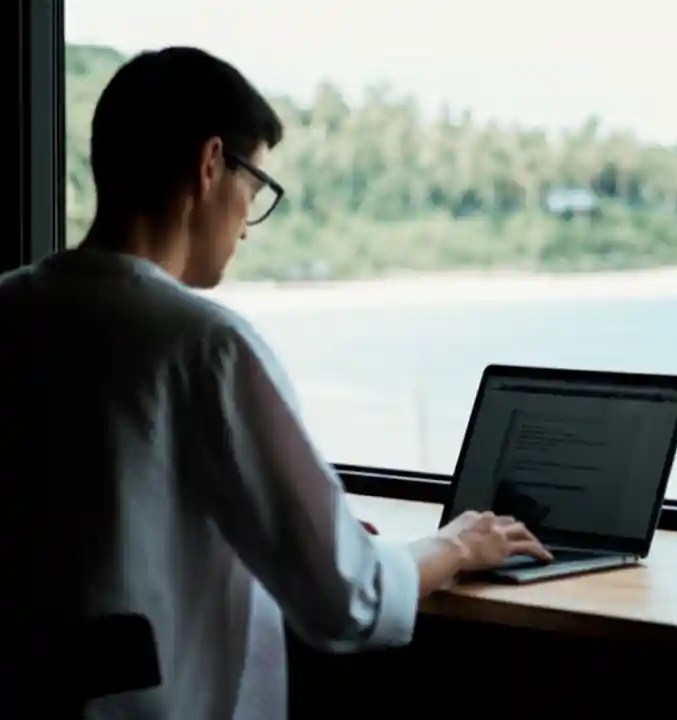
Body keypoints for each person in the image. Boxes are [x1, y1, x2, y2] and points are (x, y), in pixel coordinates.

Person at [0, 46, 552, 718]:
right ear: (210, 165)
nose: (247, 227)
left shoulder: (16, 305)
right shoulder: (205, 344)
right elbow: (346, 600)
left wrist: (291, 524)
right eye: (255, 188)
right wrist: (457, 546)